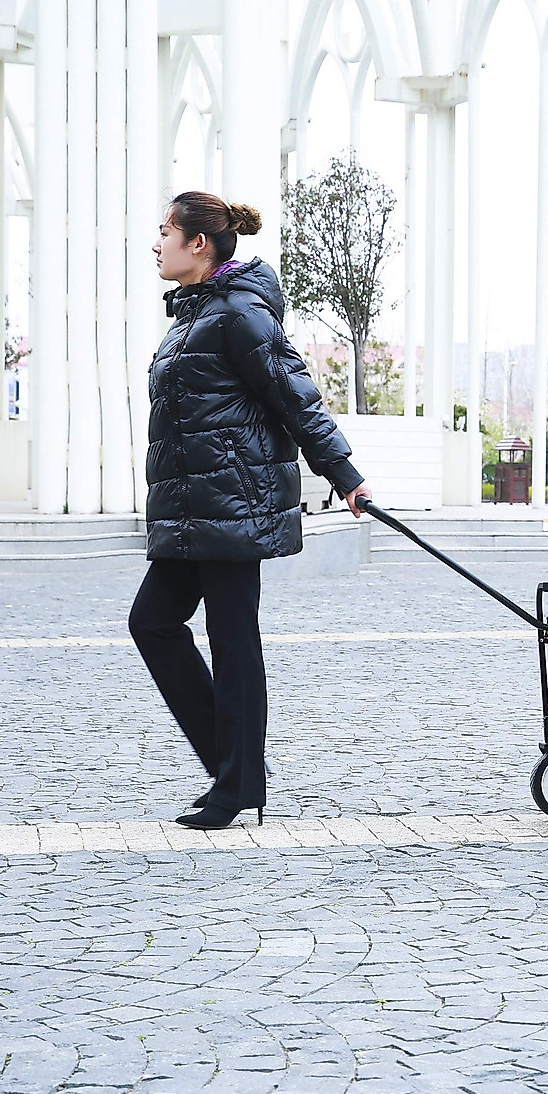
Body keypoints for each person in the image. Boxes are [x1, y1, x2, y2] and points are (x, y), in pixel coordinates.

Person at [128, 191, 371, 830]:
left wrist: (343, 475)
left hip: (234, 503)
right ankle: (238, 767)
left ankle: (238, 781)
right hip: (192, 508)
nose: (155, 244)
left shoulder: (239, 314)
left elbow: (297, 397)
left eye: (164, 232)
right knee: (152, 622)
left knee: (233, 641)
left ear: (197, 244)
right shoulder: (193, 314)